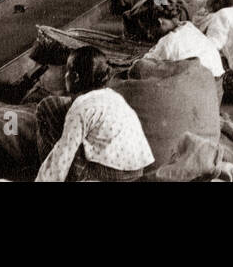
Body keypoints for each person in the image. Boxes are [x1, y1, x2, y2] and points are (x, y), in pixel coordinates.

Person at [35, 47, 154, 182]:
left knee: (63, 149)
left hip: (109, 174)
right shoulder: (113, 96)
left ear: (75, 77)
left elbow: (64, 153)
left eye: (67, 71)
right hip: (136, 171)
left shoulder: (81, 107)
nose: (65, 76)